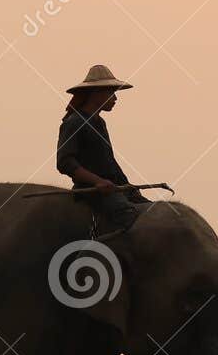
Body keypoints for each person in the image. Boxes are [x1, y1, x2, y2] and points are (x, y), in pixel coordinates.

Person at [55, 65, 150, 237]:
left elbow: (108, 162)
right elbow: (65, 162)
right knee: (127, 215)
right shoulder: (74, 122)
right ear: (96, 94)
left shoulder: (99, 123)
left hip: (112, 188)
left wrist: (127, 187)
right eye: (110, 93)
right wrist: (98, 182)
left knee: (150, 210)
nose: (115, 98)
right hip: (92, 191)